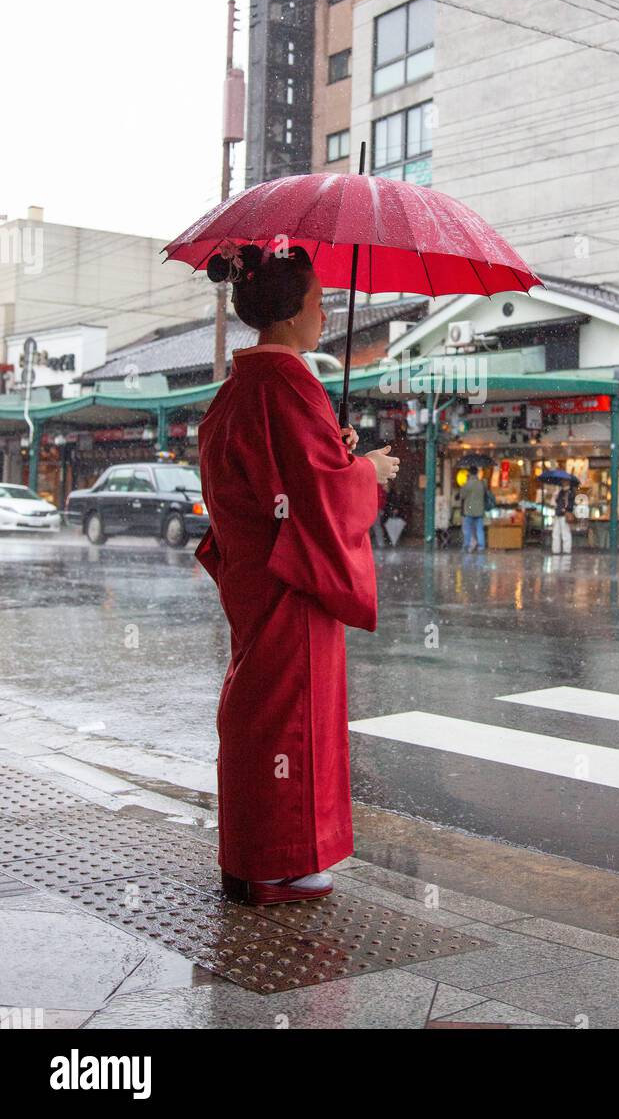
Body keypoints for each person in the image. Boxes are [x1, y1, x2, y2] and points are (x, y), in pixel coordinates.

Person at [195, 243, 399, 907]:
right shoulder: (288, 385)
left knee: (257, 712)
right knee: (293, 718)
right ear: (291, 312)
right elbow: (317, 498)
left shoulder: (237, 389)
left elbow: (276, 483)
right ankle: (283, 863)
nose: (323, 312)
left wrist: (328, 456)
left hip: (255, 580)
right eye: (319, 301)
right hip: (292, 582)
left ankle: (248, 854)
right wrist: (367, 471)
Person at [460, 464, 487, 551]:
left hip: (469, 510)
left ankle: (467, 545)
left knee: (468, 529)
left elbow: (462, 496)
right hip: (479, 510)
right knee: (480, 529)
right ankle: (481, 546)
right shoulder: (481, 483)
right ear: (477, 473)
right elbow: (485, 494)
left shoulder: (467, 484)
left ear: (469, 473)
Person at [552, 480, 576, 554]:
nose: (563, 483)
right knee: (556, 533)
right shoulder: (561, 492)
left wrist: (565, 509)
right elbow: (558, 502)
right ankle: (556, 550)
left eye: (564, 482)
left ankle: (566, 550)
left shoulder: (570, 492)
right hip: (559, 514)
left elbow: (570, 504)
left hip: (564, 514)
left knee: (565, 533)